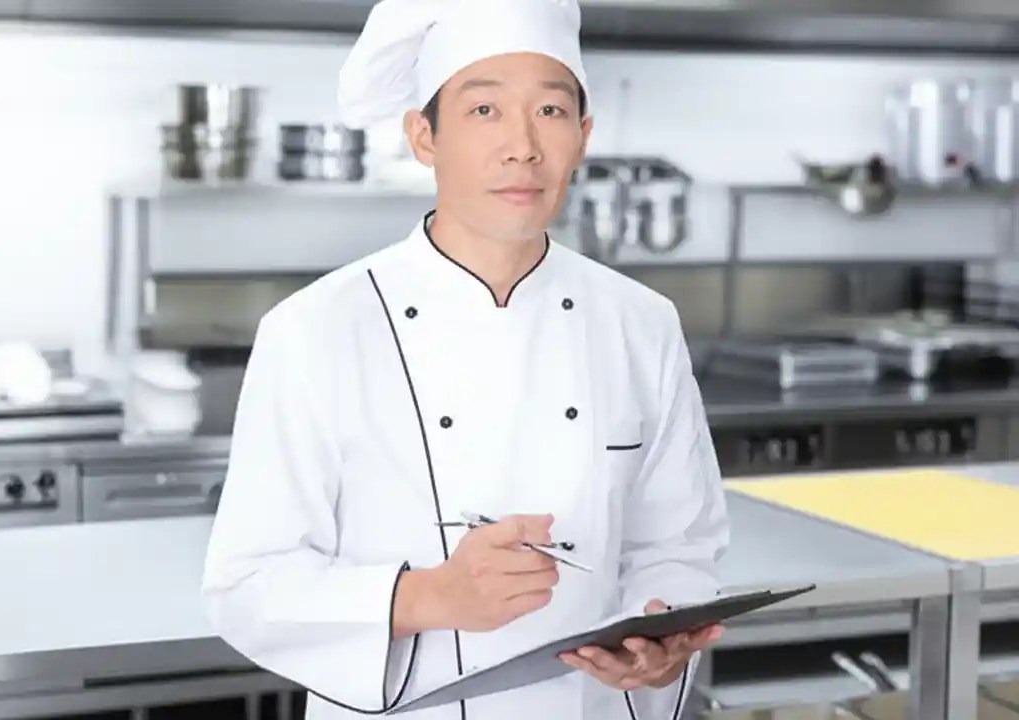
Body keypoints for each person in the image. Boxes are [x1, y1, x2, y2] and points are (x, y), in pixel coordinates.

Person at [201, 0, 730, 717]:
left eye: (550, 112)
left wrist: (662, 638)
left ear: (583, 135)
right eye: (484, 111)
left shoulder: (641, 322)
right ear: (424, 137)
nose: (522, 146)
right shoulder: (316, 329)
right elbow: (247, 586)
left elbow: (679, 541)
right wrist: (428, 596)